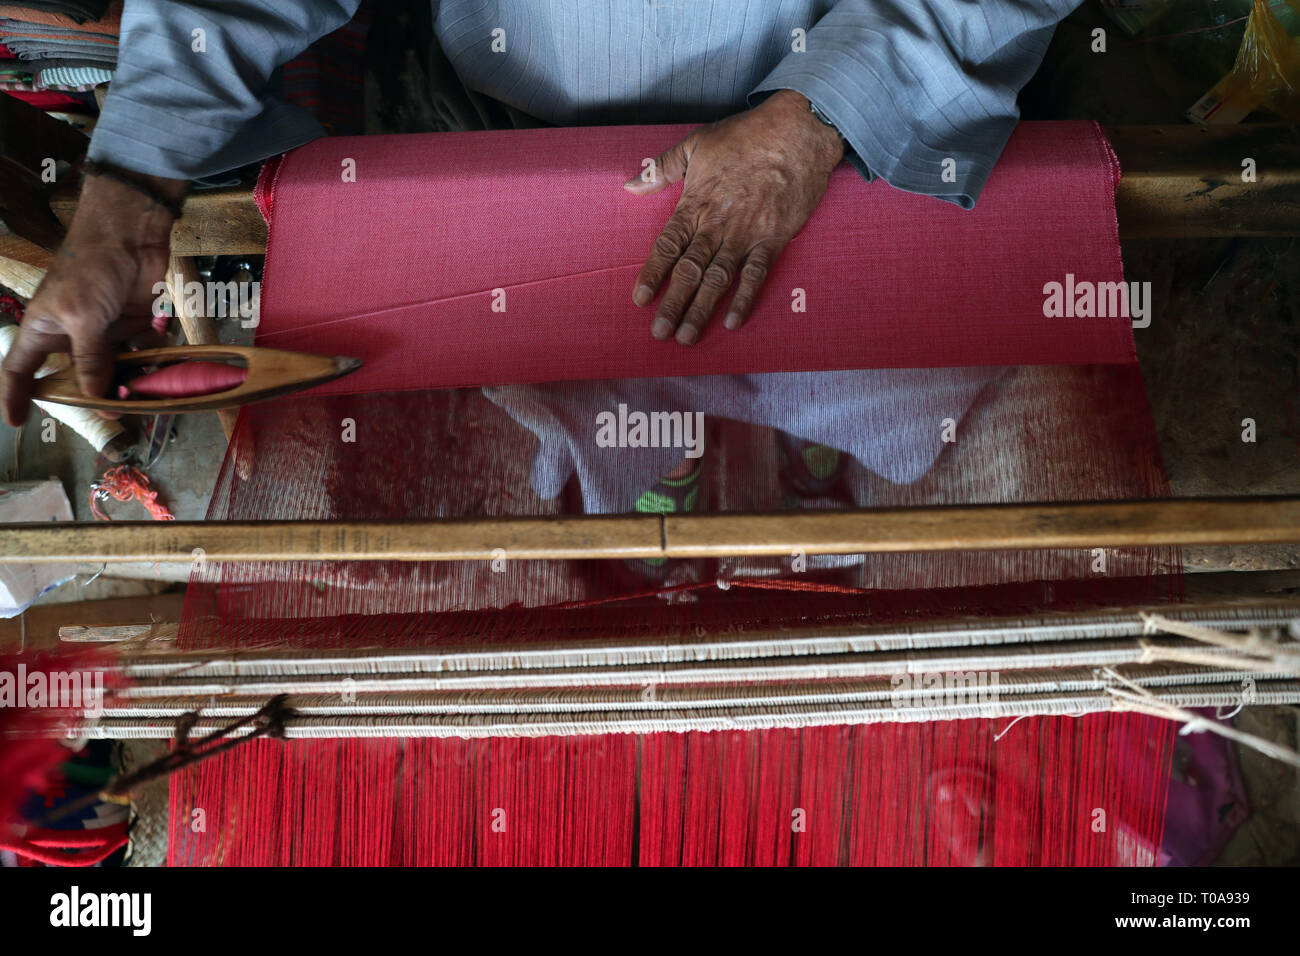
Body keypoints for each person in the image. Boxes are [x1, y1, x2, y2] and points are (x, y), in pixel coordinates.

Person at [1, 0, 1083, 515]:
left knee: (994, 467)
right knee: (447, 500)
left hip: (860, 137)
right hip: (502, 147)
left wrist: (818, 117)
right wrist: (126, 200)